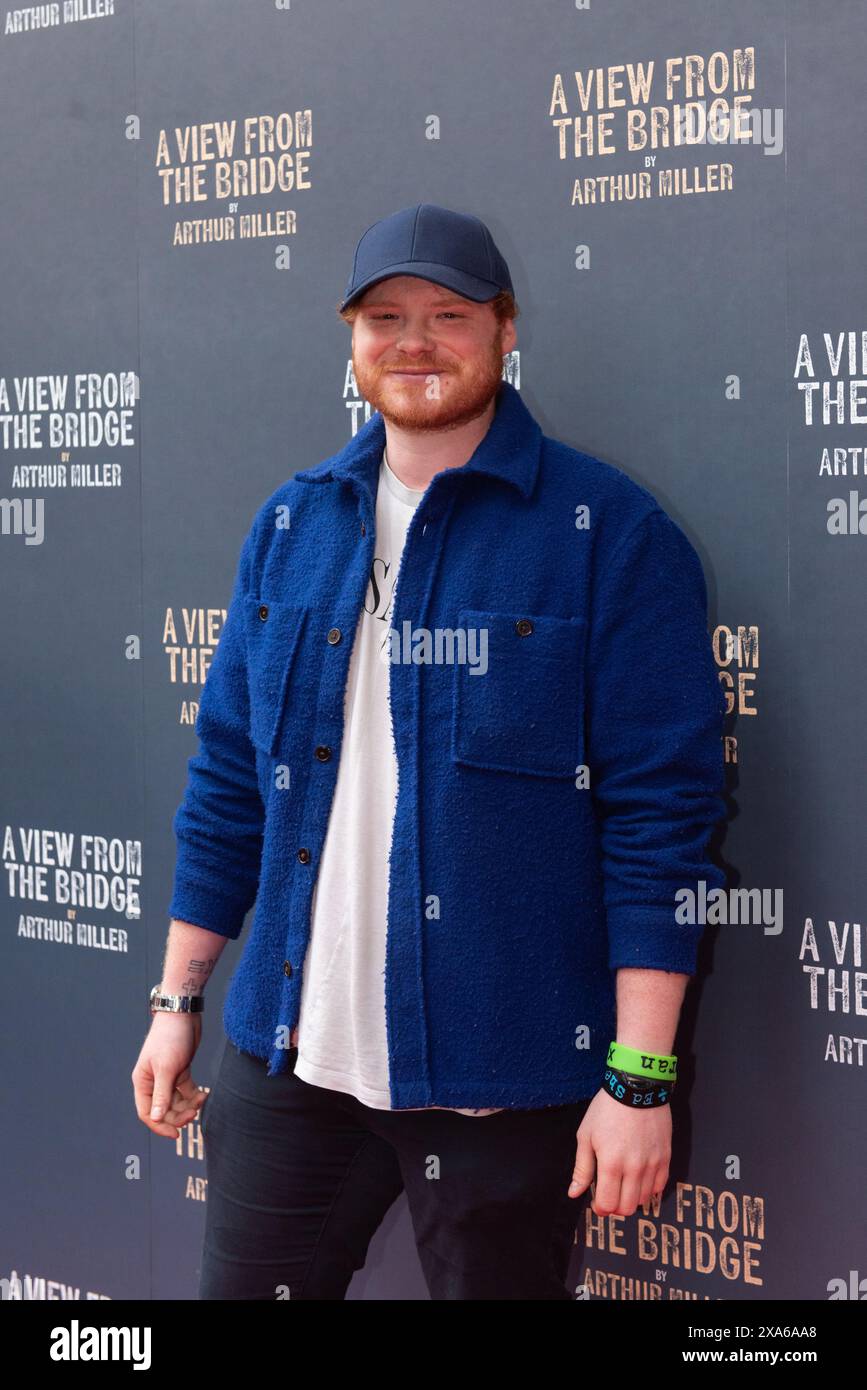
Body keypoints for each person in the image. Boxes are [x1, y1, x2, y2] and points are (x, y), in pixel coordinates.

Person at [132, 202, 728, 1300]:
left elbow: (662, 823)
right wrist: (180, 1003)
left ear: (506, 330)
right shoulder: (292, 525)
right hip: (292, 1054)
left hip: (505, 1075)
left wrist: (643, 1078)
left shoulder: (610, 534)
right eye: (385, 316)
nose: (415, 341)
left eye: (449, 313)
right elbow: (227, 784)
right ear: (351, 341)